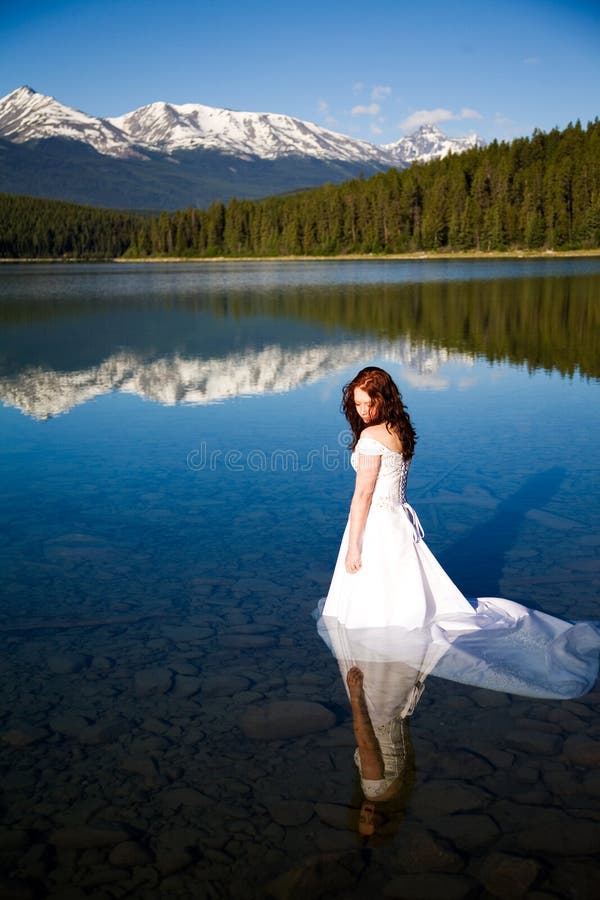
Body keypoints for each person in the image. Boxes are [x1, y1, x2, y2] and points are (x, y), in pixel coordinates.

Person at [317, 366, 600, 700]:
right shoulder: (399, 428)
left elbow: (363, 495)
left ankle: (380, 660)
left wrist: (354, 546)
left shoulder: (370, 438)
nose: (363, 411)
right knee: (402, 589)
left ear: (384, 398)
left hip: (376, 525)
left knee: (369, 611)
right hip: (398, 521)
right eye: (358, 404)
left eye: (369, 403)